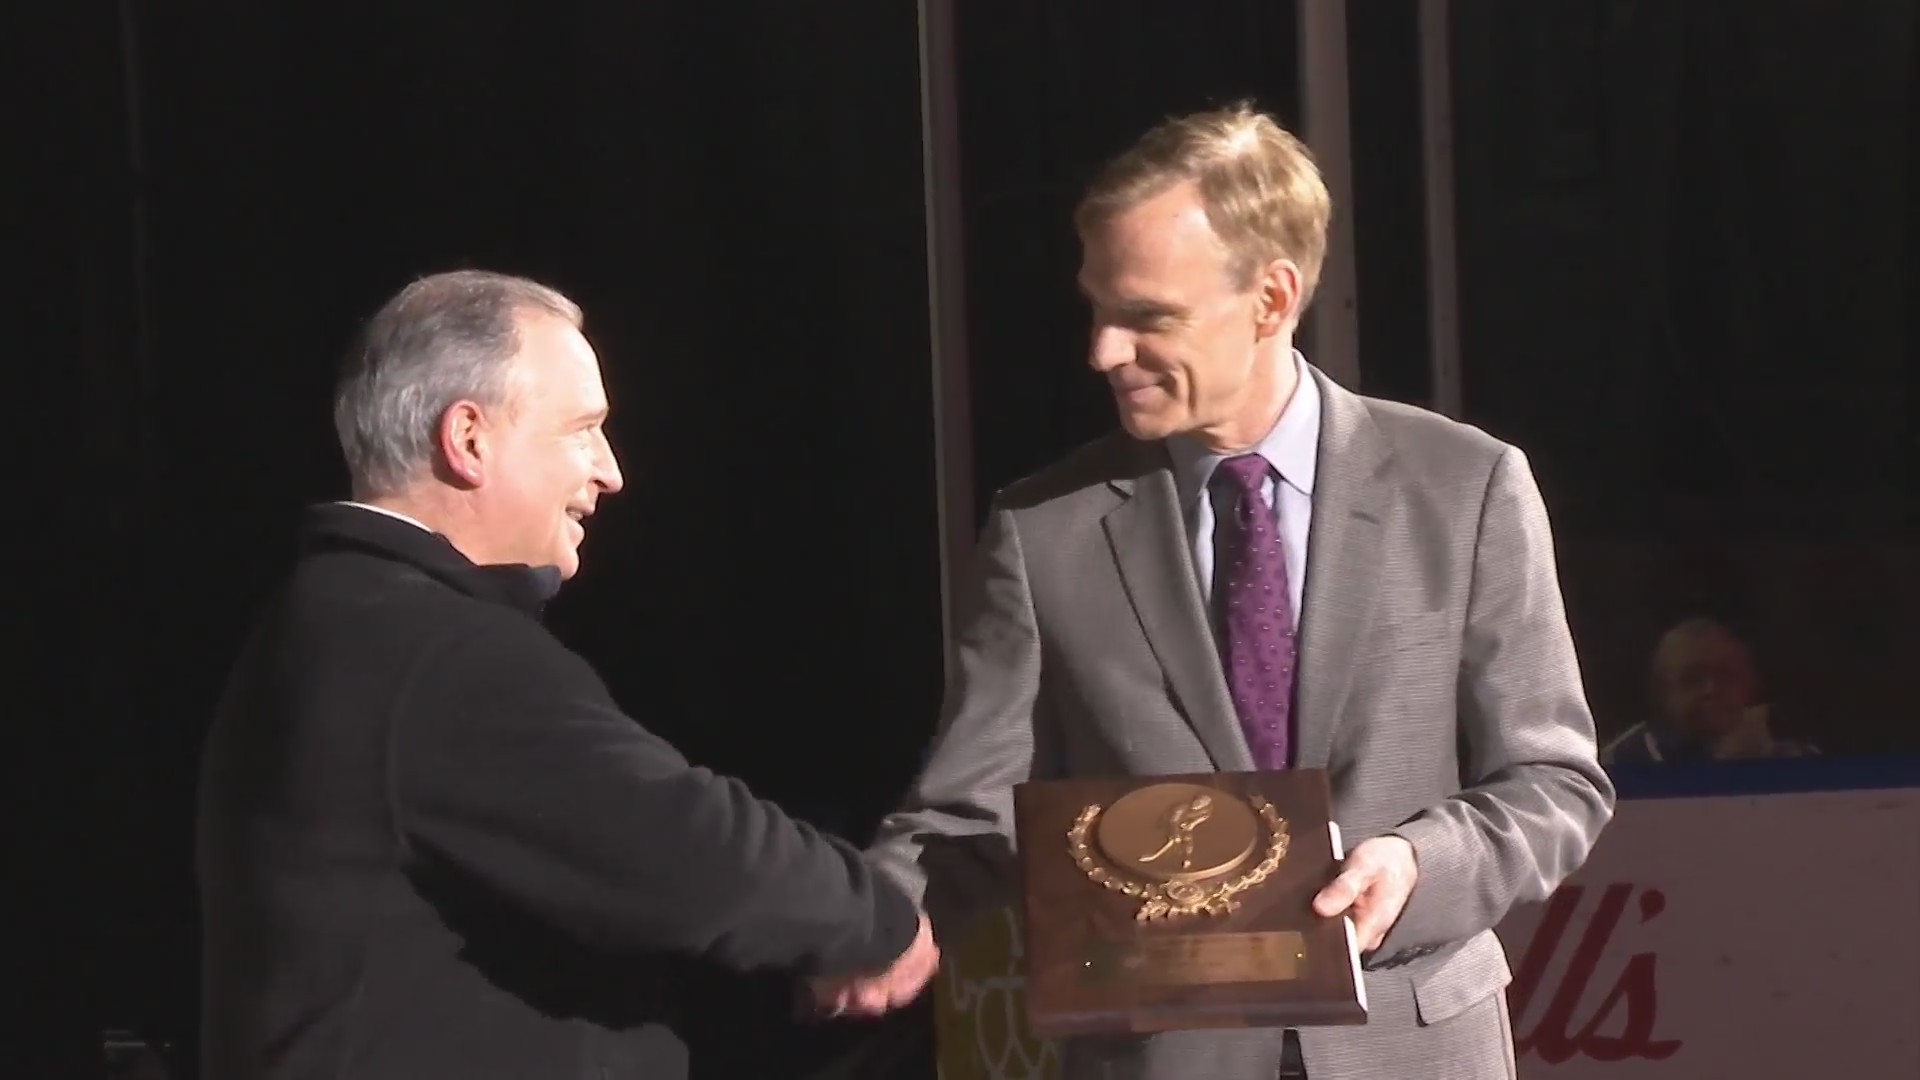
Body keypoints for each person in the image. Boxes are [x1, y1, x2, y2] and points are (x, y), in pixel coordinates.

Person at [832, 104, 1616, 1080]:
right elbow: (964, 814)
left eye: (1147, 317)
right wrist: (867, 916)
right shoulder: (1046, 530)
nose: (1103, 352)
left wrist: (1418, 865)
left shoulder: (1465, 488)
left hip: (1414, 1044)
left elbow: (1554, 785)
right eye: (1097, 309)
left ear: (1272, 297)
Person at [196, 270, 937, 1080]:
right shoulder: (432, 649)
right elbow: (683, 853)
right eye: (581, 429)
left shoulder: (336, 618)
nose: (609, 471)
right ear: (470, 440)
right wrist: (877, 920)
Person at [1603, 616, 1817, 763]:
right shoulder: (1622, 760)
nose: (1711, 689)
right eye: (1692, 678)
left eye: (1726, 675)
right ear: (1663, 692)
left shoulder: (1796, 758)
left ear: (1751, 684)